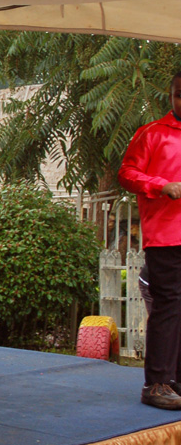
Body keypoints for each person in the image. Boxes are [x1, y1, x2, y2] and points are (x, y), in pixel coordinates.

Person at [118, 71, 181, 410]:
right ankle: (157, 383)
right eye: (179, 94)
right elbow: (127, 173)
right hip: (167, 237)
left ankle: (176, 382)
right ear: (170, 96)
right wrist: (161, 185)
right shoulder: (152, 134)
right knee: (169, 307)